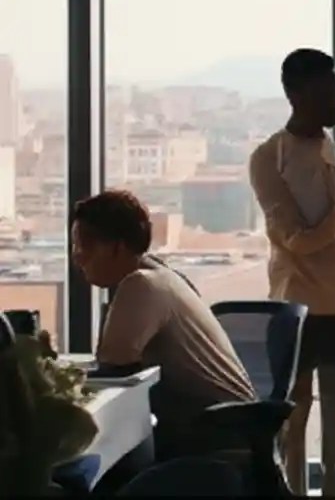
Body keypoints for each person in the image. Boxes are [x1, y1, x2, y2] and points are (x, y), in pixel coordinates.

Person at [249, 48, 335, 497]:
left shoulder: (330, 146)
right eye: (326, 90)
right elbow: (295, 238)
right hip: (294, 306)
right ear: (294, 95)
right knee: (293, 418)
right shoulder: (268, 156)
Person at [75, 190, 256, 456]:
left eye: (85, 246)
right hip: (226, 429)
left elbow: (114, 372)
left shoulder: (142, 285)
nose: (77, 256)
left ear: (118, 247)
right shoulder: (162, 275)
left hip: (214, 440)